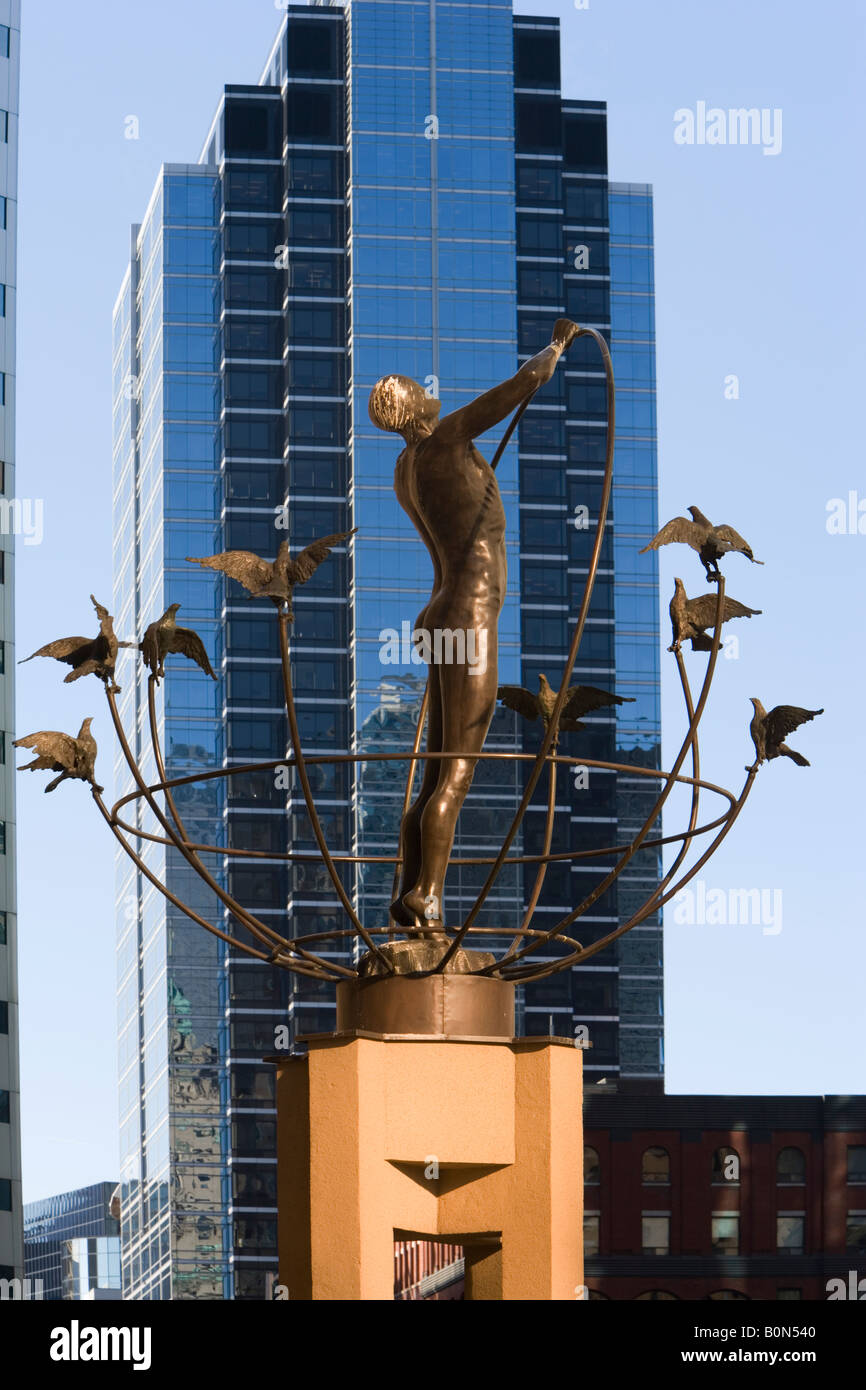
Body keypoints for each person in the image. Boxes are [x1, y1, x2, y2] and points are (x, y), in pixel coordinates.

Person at [368, 318, 580, 933]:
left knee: (436, 766)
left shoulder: (406, 470)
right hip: (468, 612)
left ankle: (407, 891)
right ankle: (425, 896)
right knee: (457, 769)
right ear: (422, 410)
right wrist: (559, 343)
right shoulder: (448, 440)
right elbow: (522, 384)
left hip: (438, 614)